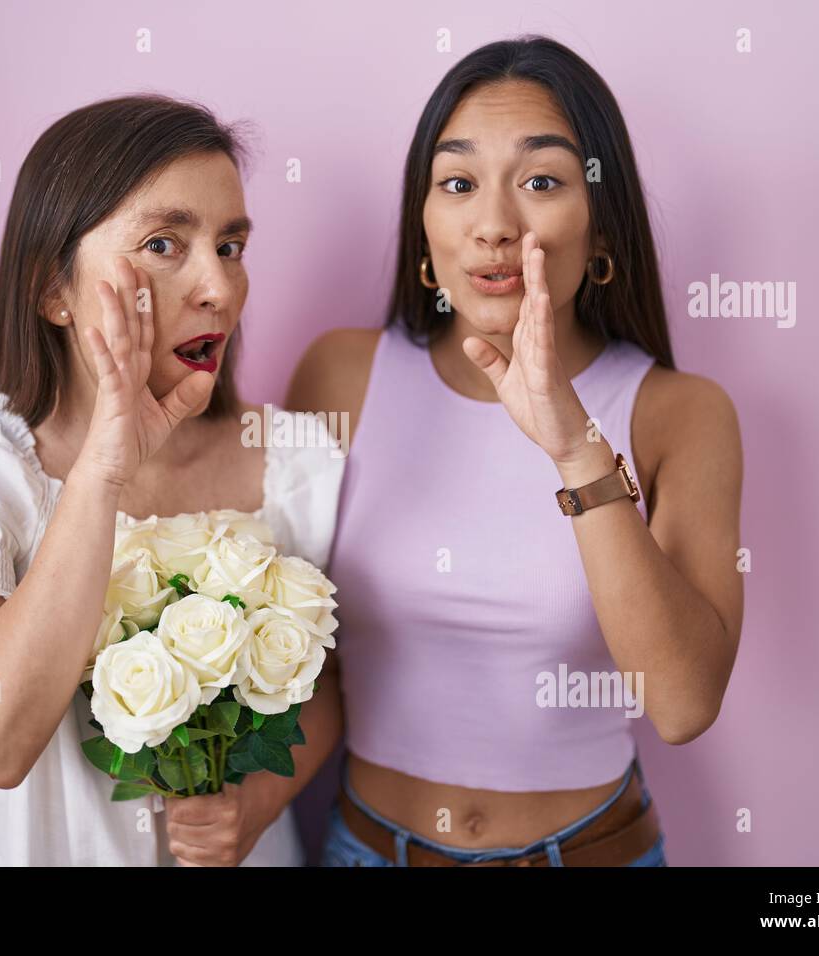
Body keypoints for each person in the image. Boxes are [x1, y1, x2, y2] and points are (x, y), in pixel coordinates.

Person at [287, 36, 744, 867]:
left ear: (600, 225)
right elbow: (300, 659)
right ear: (425, 232)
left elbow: (680, 704)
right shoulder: (342, 375)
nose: (495, 224)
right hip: (364, 849)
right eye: (458, 183)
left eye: (542, 181)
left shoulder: (681, 415)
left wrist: (575, 450)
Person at [0, 94, 345, 866]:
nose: (219, 290)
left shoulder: (293, 462)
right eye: (165, 244)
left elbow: (326, 685)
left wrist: (259, 801)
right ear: (52, 288)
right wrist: (101, 472)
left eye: (230, 247)